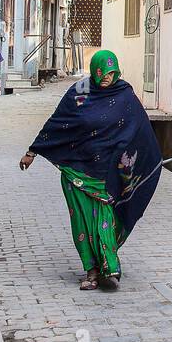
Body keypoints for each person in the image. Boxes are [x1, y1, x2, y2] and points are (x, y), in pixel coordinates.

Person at [19, 50, 162, 291]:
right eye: (102, 73)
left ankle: (110, 267)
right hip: (77, 170)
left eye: (111, 73)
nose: (106, 78)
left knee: (104, 219)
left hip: (108, 173)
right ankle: (92, 271)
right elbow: (59, 122)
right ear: (94, 72)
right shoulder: (81, 92)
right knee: (83, 223)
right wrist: (32, 151)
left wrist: (145, 160)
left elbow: (140, 129)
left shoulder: (125, 95)